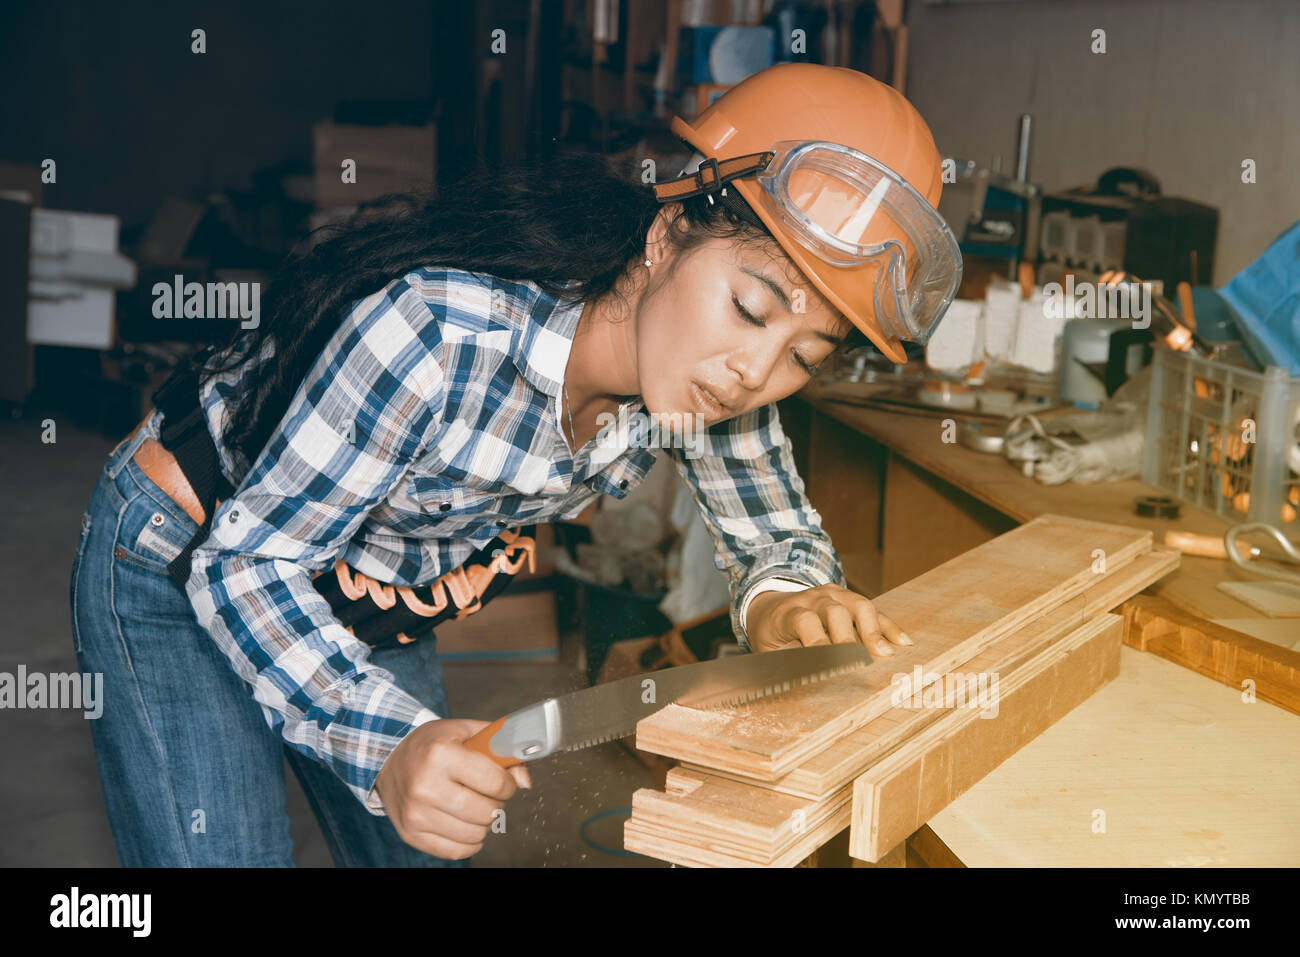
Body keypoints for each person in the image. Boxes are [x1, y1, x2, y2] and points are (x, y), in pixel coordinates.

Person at [68, 62, 961, 867]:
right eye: (751, 308)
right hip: (195, 557)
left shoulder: (707, 383)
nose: (756, 375)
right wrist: (385, 747)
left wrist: (784, 597)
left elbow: (773, 529)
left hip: (373, 579)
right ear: (667, 234)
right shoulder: (434, 333)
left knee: (436, 825)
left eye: (805, 356)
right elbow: (247, 562)